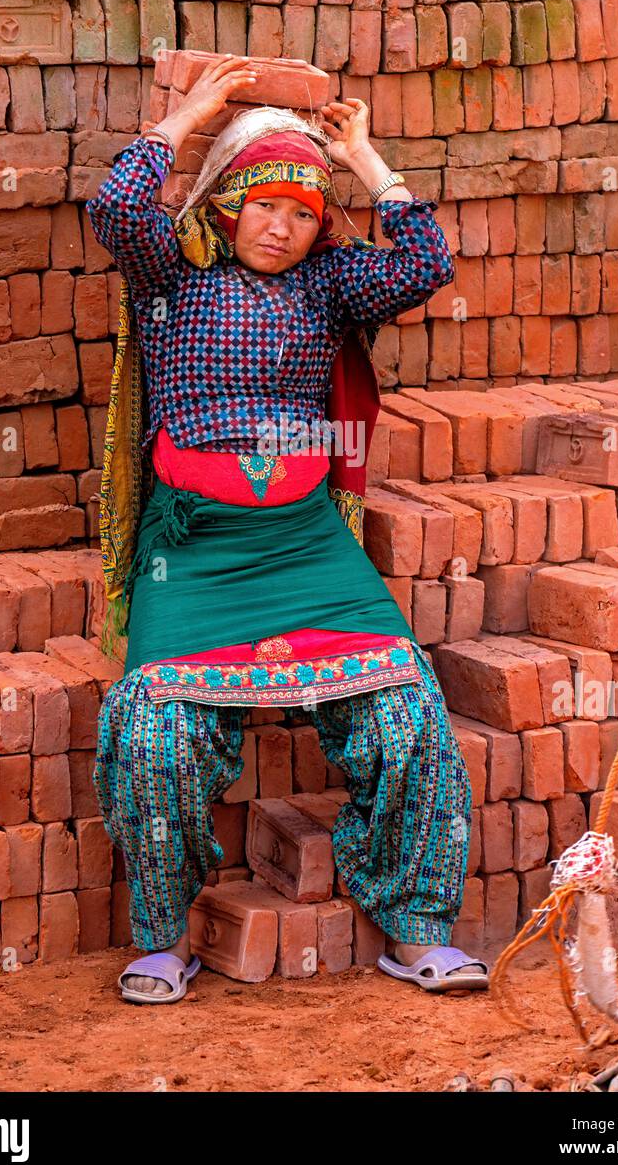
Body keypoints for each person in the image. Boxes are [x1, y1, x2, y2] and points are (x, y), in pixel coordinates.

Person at [86, 55, 487, 1004]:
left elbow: (426, 265)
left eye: (304, 212)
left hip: (309, 549)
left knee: (408, 714)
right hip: (195, 555)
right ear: (226, 206)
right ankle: (161, 935)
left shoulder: (329, 288)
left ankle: (418, 927)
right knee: (153, 736)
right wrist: (191, 115)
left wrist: (364, 160)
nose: (283, 226)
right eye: (265, 205)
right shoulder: (169, 278)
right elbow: (113, 207)